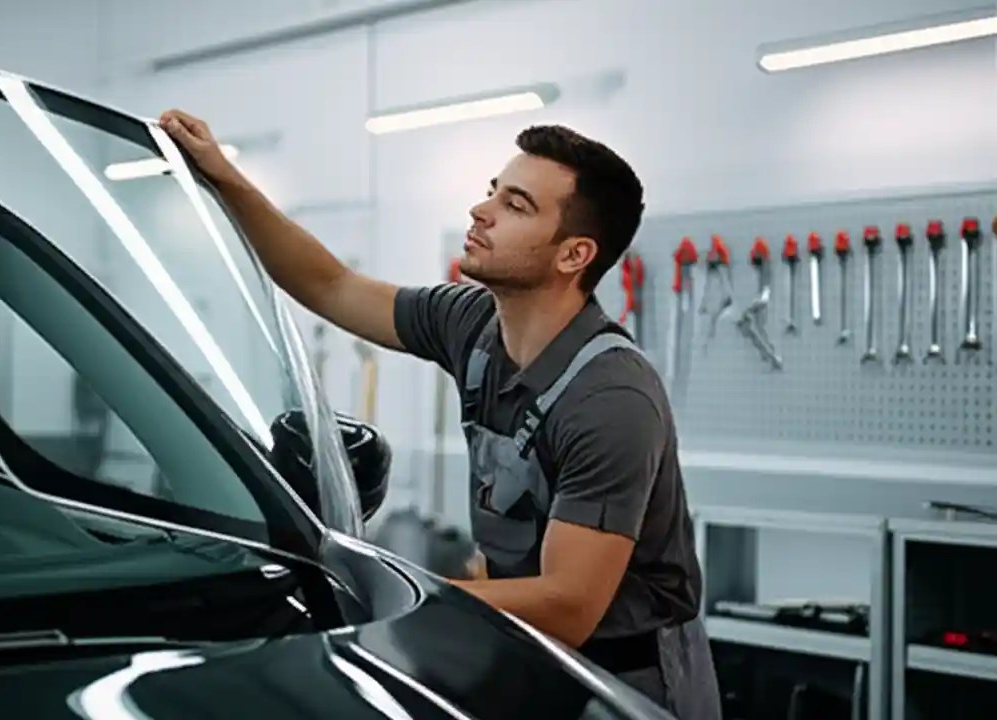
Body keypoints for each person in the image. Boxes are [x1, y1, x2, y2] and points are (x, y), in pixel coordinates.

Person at [159, 109, 720, 718]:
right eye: (491, 194)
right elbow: (332, 286)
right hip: (532, 648)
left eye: (517, 205)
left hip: (631, 677)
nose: (482, 212)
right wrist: (226, 179)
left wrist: (396, 595)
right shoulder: (470, 321)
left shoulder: (610, 398)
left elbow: (570, 605)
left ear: (573, 255)